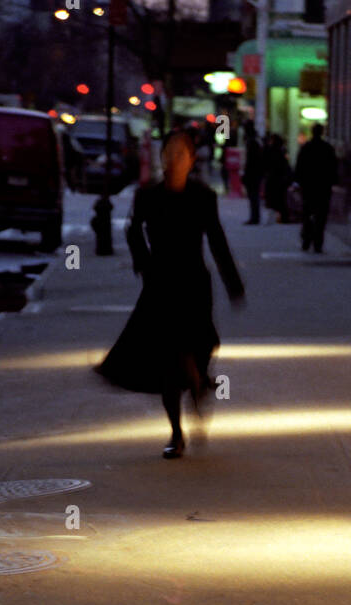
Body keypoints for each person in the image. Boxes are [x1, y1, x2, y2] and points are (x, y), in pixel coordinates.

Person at [96, 128, 245, 459]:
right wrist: (143, 264)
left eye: (181, 153)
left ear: (192, 160)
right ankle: (176, 433)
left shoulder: (203, 197)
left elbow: (217, 240)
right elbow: (132, 230)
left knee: (201, 344)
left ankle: (199, 381)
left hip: (193, 284)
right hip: (160, 285)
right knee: (168, 361)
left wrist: (233, 282)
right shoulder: (148, 196)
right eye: (169, 152)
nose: (173, 159)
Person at [295, 123, 337, 252]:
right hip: (323, 187)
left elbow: (299, 167)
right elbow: (333, 168)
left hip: (308, 187)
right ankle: (318, 243)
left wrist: (299, 182)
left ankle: (306, 240)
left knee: (307, 214)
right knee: (321, 216)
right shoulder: (328, 148)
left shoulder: (306, 148)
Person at [262, 133, 293, 224]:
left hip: (275, 179)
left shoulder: (273, 151)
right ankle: (282, 217)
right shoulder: (280, 151)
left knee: (277, 199)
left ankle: (279, 217)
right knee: (281, 199)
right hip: (279, 179)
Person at [242, 120, 263, 225]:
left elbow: (251, 160)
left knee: (253, 196)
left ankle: (255, 217)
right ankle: (255, 216)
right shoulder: (255, 141)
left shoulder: (252, 142)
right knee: (254, 196)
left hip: (253, 173)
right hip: (255, 172)